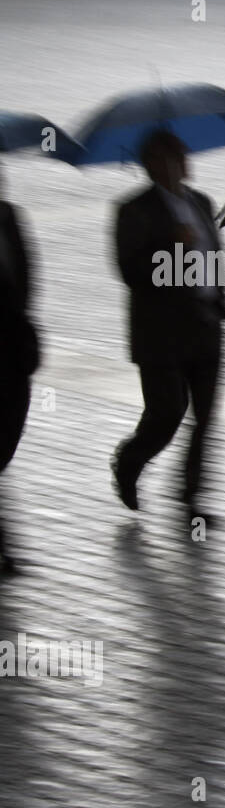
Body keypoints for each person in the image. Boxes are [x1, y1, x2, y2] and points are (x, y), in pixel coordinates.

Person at [110, 131, 225, 522]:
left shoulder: (201, 201)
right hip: (162, 332)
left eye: (183, 153)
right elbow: (131, 271)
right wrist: (170, 248)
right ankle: (130, 461)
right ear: (154, 164)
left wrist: (220, 301)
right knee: (167, 413)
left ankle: (190, 498)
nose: (185, 160)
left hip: (206, 325)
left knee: (206, 417)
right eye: (176, 155)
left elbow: (215, 255)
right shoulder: (134, 210)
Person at [0, 188, 38, 576]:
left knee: (7, 439)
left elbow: (27, 274)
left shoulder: (9, 215)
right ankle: (5, 546)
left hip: (11, 349)